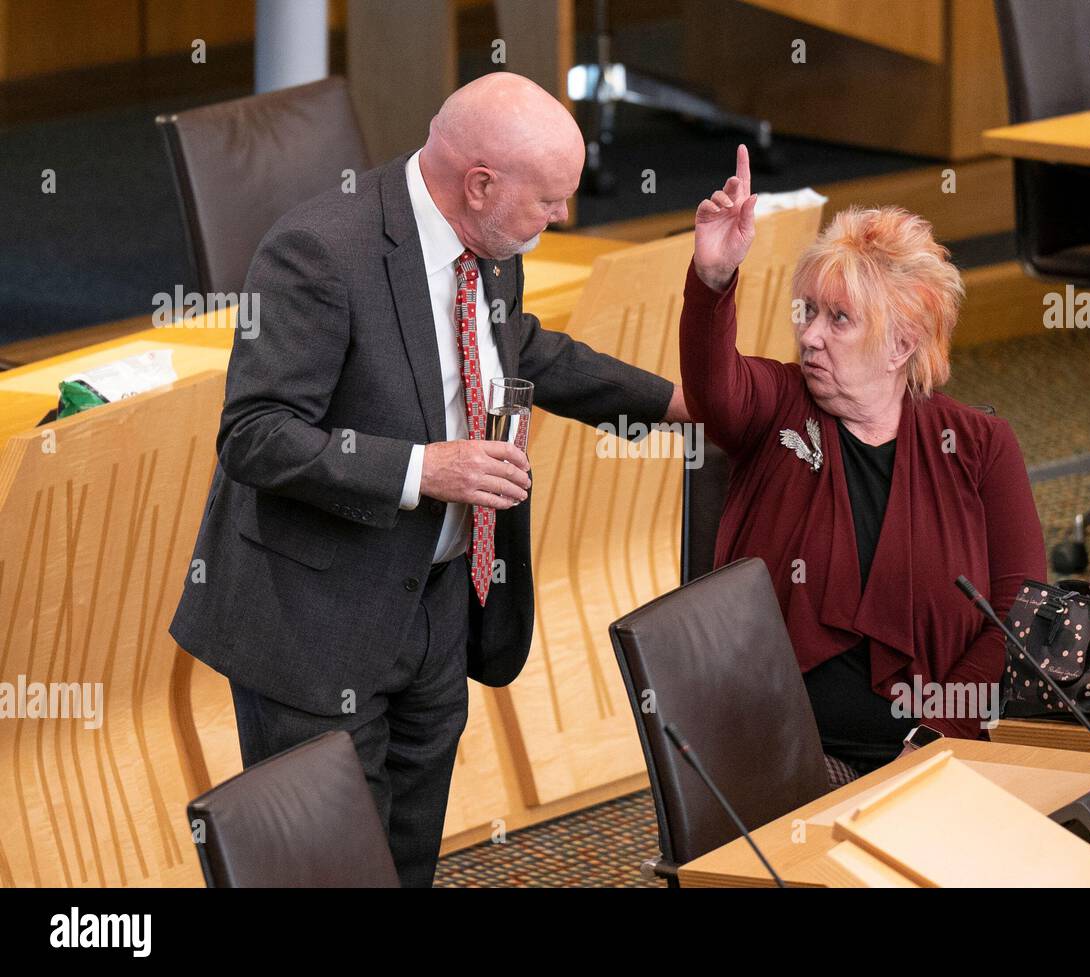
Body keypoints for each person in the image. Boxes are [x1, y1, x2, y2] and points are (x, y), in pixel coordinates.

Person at [170, 72, 689, 885]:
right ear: (480, 184)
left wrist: (674, 403)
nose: (563, 217)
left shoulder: (491, 244)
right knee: (328, 869)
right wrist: (423, 467)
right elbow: (256, 436)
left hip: (439, 608)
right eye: (550, 199)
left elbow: (522, 350)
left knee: (408, 859)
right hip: (318, 622)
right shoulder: (320, 250)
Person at [680, 146, 1045, 785]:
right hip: (790, 763)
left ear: (901, 344)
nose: (811, 335)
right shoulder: (778, 409)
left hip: (937, 762)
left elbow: (1019, 610)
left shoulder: (981, 445)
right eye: (809, 313)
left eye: (839, 319)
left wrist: (939, 739)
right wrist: (713, 281)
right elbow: (714, 390)